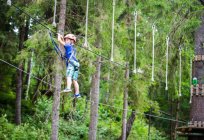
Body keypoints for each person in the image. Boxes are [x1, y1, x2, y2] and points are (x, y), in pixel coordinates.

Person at [57, 33, 81, 98]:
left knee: (69, 76)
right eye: (66, 40)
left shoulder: (68, 46)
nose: (66, 41)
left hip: (71, 63)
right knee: (74, 80)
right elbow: (64, 43)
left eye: (67, 40)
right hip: (76, 64)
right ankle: (77, 94)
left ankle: (68, 88)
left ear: (71, 41)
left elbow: (59, 40)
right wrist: (63, 38)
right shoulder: (73, 48)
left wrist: (59, 36)